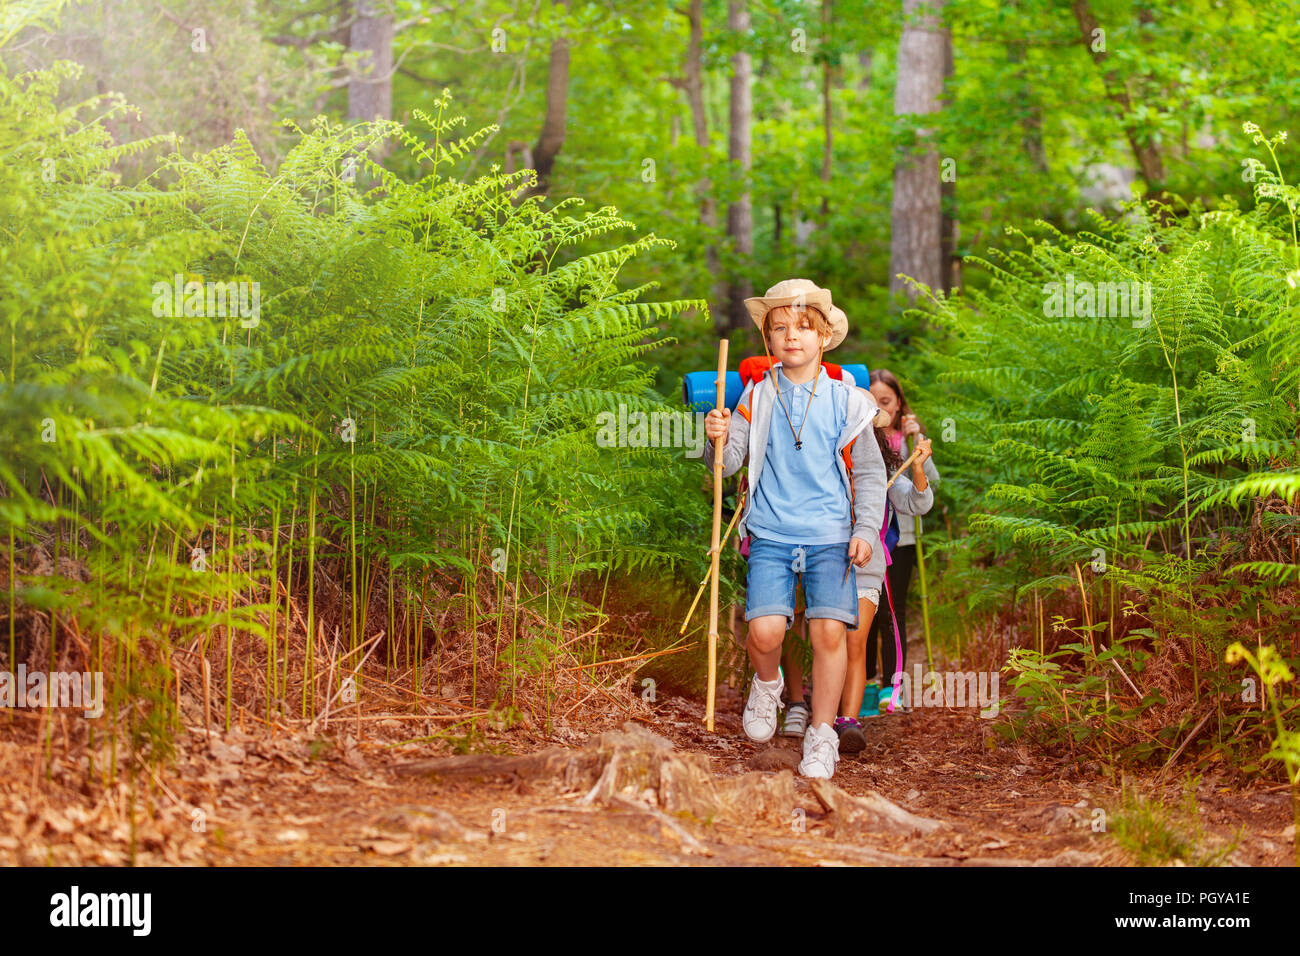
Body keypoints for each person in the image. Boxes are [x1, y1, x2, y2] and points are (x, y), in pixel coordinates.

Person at [703, 278, 887, 779]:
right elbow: (728, 463)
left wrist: (866, 530)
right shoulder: (754, 398)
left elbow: (870, 474)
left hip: (832, 533)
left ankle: (822, 734)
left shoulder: (849, 401)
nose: (791, 337)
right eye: (779, 328)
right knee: (764, 633)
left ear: (824, 337)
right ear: (768, 339)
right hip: (771, 532)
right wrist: (715, 438)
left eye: (803, 327)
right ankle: (768, 686)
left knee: (828, 632)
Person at [836, 401, 932, 748]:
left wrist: (917, 466)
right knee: (827, 641)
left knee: (854, 641)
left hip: (866, 566)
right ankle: (821, 710)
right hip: (822, 562)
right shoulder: (823, 461)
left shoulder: (882, 470)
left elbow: (919, 502)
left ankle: (847, 720)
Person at [864, 369, 940, 715]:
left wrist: (917, 442)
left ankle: (892, 685)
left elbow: (930, 486)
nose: (881, 408)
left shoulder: (909, 437)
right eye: (874, 401)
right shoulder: (862, 434)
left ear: (898, 404)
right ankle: (864, 680)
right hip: (864, 535)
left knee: (892, 611)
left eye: (887, 402)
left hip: (902, 537)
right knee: (864, 609)